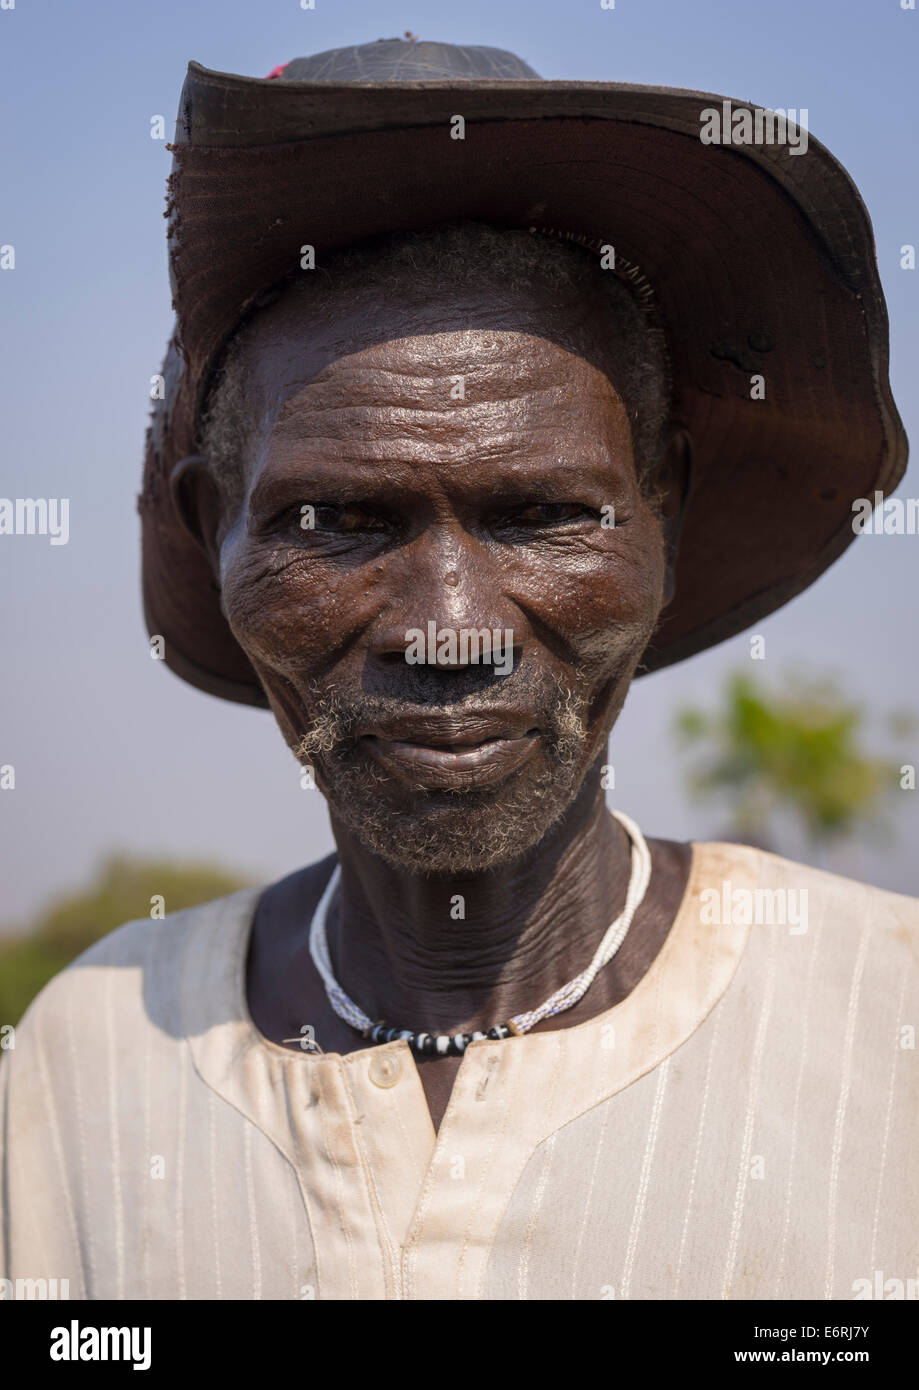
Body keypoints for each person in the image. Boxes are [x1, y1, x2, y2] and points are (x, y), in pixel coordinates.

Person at [1, 38, 915, 1302]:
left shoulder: (888, 1025)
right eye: (338, 523)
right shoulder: (88, 1058)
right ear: (216, 530)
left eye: (543, 514)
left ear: (666, 512)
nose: (446, 627)